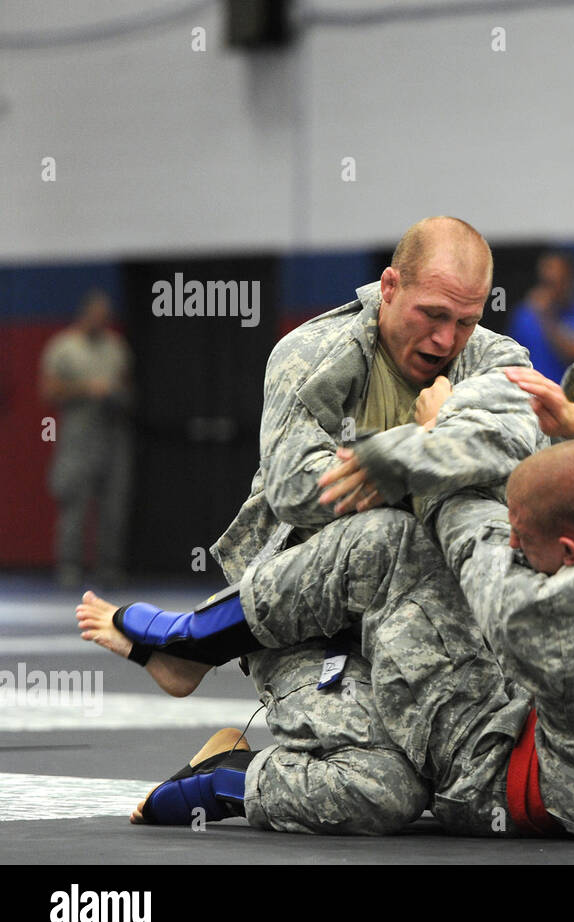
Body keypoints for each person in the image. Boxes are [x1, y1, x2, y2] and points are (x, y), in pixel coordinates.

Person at [78, 358, 574, 840]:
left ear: (572, 555)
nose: (515, 546)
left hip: (513, 783)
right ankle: (196, 647)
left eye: (523, 540)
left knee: (393, 544)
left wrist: (439, 438)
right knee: (382, 773)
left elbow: (465, 531)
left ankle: (214, 725)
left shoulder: (543, 618)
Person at [195, 216, 541, 832]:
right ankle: (226, 779)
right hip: (308, 617)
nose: (446, 338)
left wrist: (411, 453)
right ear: (389, 287)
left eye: (465, 320)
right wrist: (433, 450)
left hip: (429, 608)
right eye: (432, 314)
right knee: (384, 788)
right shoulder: (311, 356)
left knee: (485, 779)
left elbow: (525, 454)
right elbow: (298, 490)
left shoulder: (494, 361)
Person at [40, 290, 134, 589]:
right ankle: (69, 567)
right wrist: (86, 388)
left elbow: (127, 385)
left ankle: (109, 568)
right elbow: (48, 392)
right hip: (78, 436)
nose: (101, 321)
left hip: (112, 434)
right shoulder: (63, 347)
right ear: (84, 314)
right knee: (74, 503)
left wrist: (115, 395)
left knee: (113, 505)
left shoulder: (115, 346)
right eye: (96, 315)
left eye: (105, 316)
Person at [508, 250, 574, 382]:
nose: (549, 289)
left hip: (573, 391)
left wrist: (546, 316)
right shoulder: (524, 314)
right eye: (545, 282)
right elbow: (513, 358)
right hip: (531, 390)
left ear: (571, 280)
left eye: (555, 282)